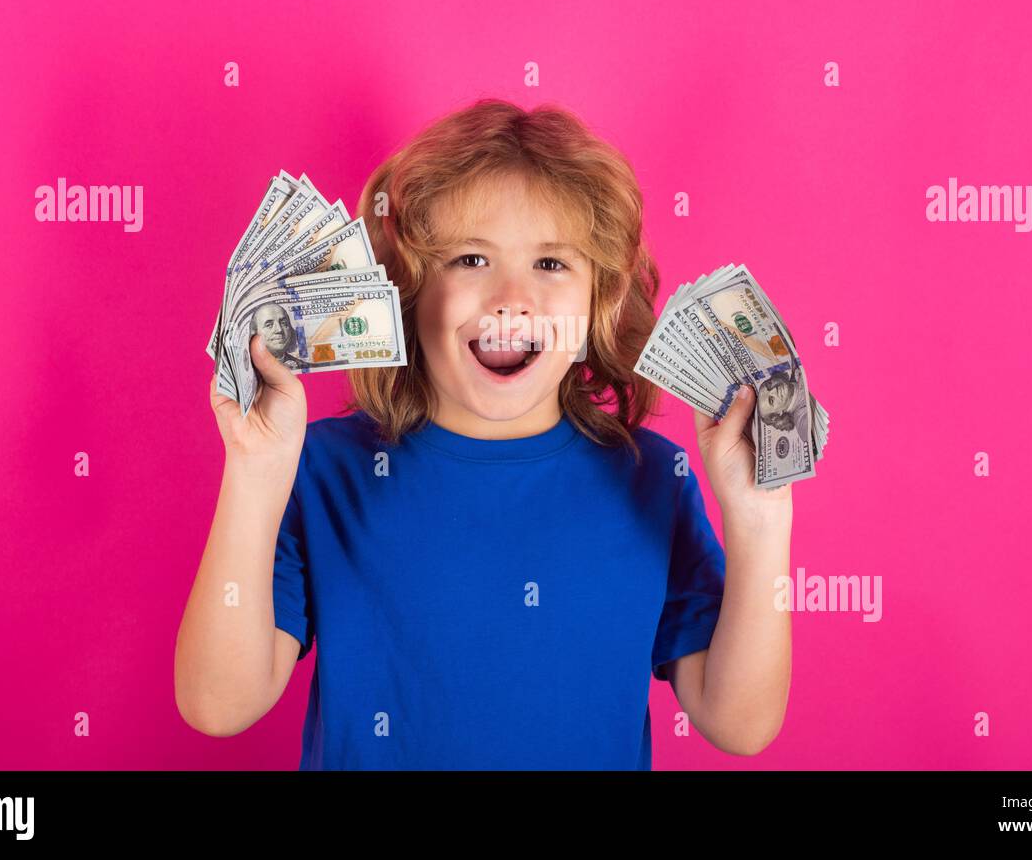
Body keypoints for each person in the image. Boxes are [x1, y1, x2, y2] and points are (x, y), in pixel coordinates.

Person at [175, 99, 794, 769]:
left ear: (599, 304)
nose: (510, 298)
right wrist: (253, 471)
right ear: (406, 294)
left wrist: (760, 520)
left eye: (552, 265)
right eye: (470, 259)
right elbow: (217, 703)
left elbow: (742, 724)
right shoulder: (324, 469)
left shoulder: (652, 479)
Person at [249, 303, 316, 370]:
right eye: (269, 325)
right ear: (255, 332)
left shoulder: (305, 367)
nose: (279, 329)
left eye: (283, 323)